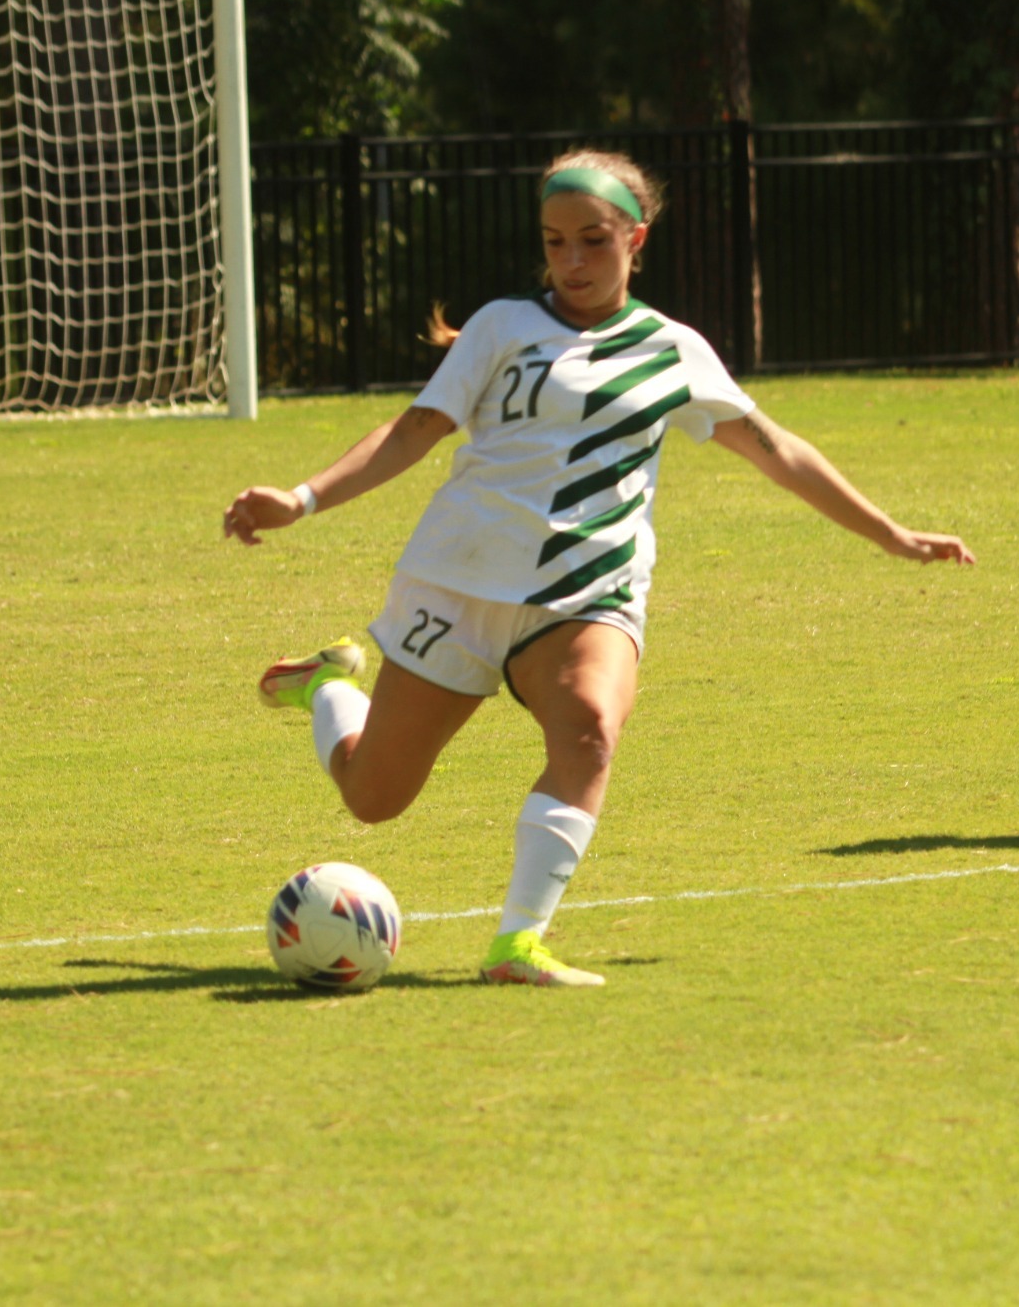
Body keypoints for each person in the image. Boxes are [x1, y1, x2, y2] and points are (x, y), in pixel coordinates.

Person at [223, 149, 975, 986]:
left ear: (635, 238)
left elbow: (779, 451)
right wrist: (302, 498)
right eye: (554, 242)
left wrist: (889, 533)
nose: (571, 261)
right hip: (459, 581)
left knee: (590, 724)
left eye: (592, 240)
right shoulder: (501, 327)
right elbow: (412, 432)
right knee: (373, 798)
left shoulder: (673, 351)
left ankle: (517, 944)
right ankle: (326, 687)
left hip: (586, 589)